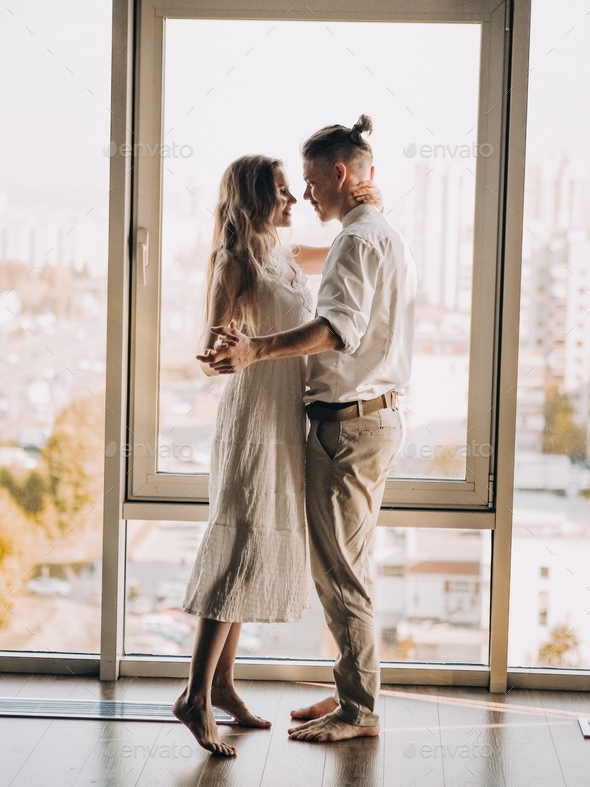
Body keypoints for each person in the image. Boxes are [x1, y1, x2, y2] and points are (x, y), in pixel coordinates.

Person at [200, 115, 418, 744]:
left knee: (339, 574)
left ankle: (359, 709)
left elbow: (336, 330)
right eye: (286, 186)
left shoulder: (357, 238)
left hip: (348, 427)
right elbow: (227, 314)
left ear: (339, 174)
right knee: (347, 567)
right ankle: (352, 689)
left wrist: (255, 349)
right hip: (362, 420)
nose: (303, 194)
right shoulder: (377, 232)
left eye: (309, 182)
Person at [172, 153, 381, 756]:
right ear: (256, 199)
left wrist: (368, 202)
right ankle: (193, 695)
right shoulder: (233, 260)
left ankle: (225, 687)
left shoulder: (281, 254)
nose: (294, 203)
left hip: (282, 419)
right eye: (284, 194)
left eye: (296, 191)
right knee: (236, 544)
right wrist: (224, 346)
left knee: (255, 543)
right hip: (250, 420)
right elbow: (213, 348)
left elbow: (346, 250)